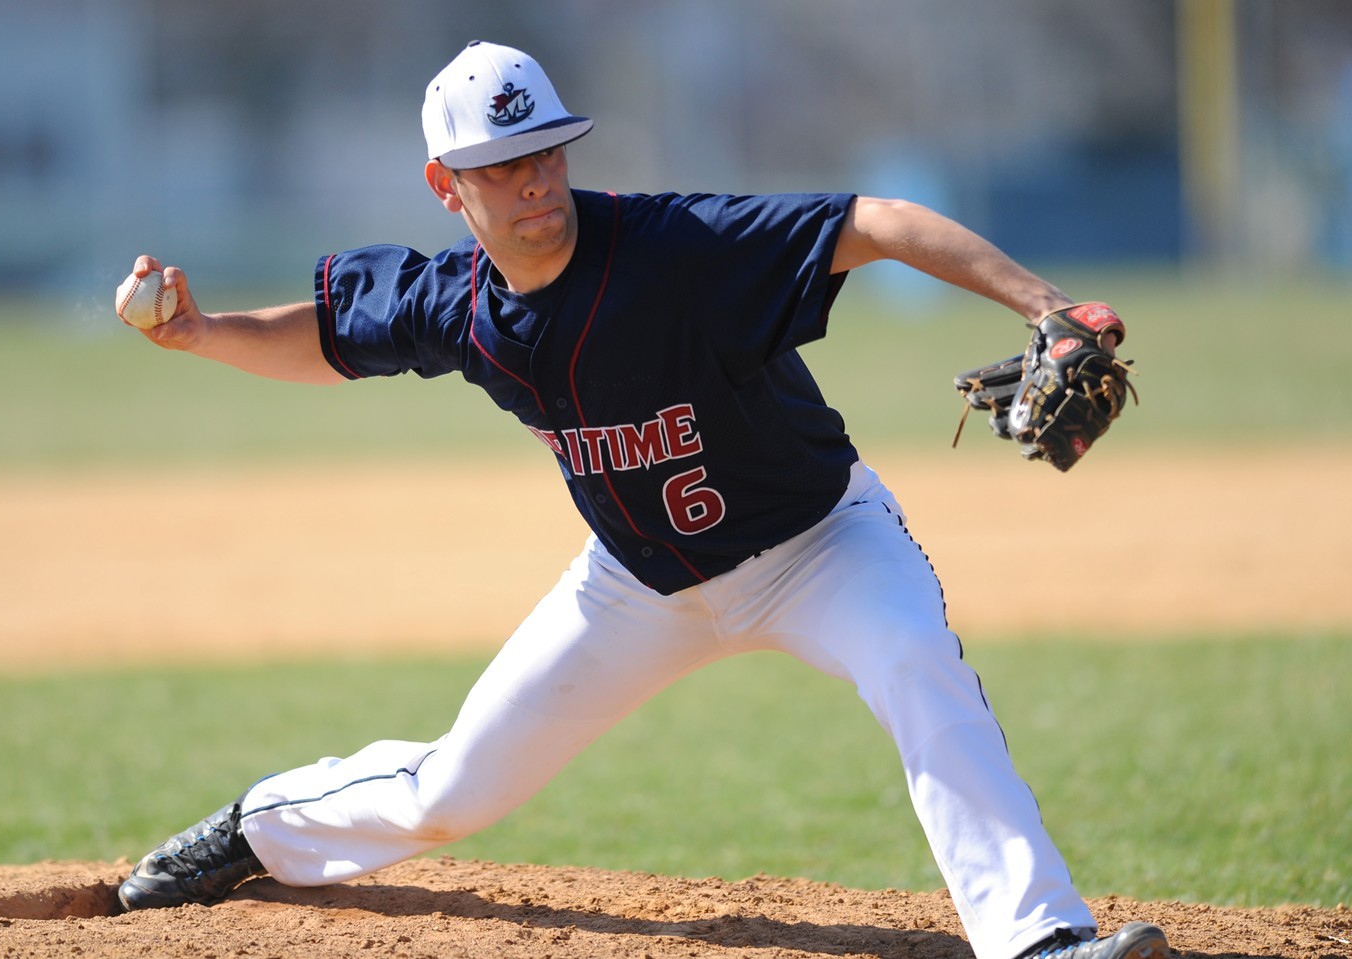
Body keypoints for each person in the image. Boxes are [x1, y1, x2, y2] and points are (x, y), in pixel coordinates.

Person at [113, 40, 1168, 959]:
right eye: (501, 164)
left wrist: (1046, 303)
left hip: (820, 543)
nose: (534, 179)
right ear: (447, 185)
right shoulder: (457, 303)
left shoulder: (677, 250)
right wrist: (199, 333)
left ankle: (1039, 933)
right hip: (634, 583)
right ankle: (252, 832)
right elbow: (327, 336)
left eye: (546, 151)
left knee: (913, 661)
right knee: (453, 790)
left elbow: (875, 221)